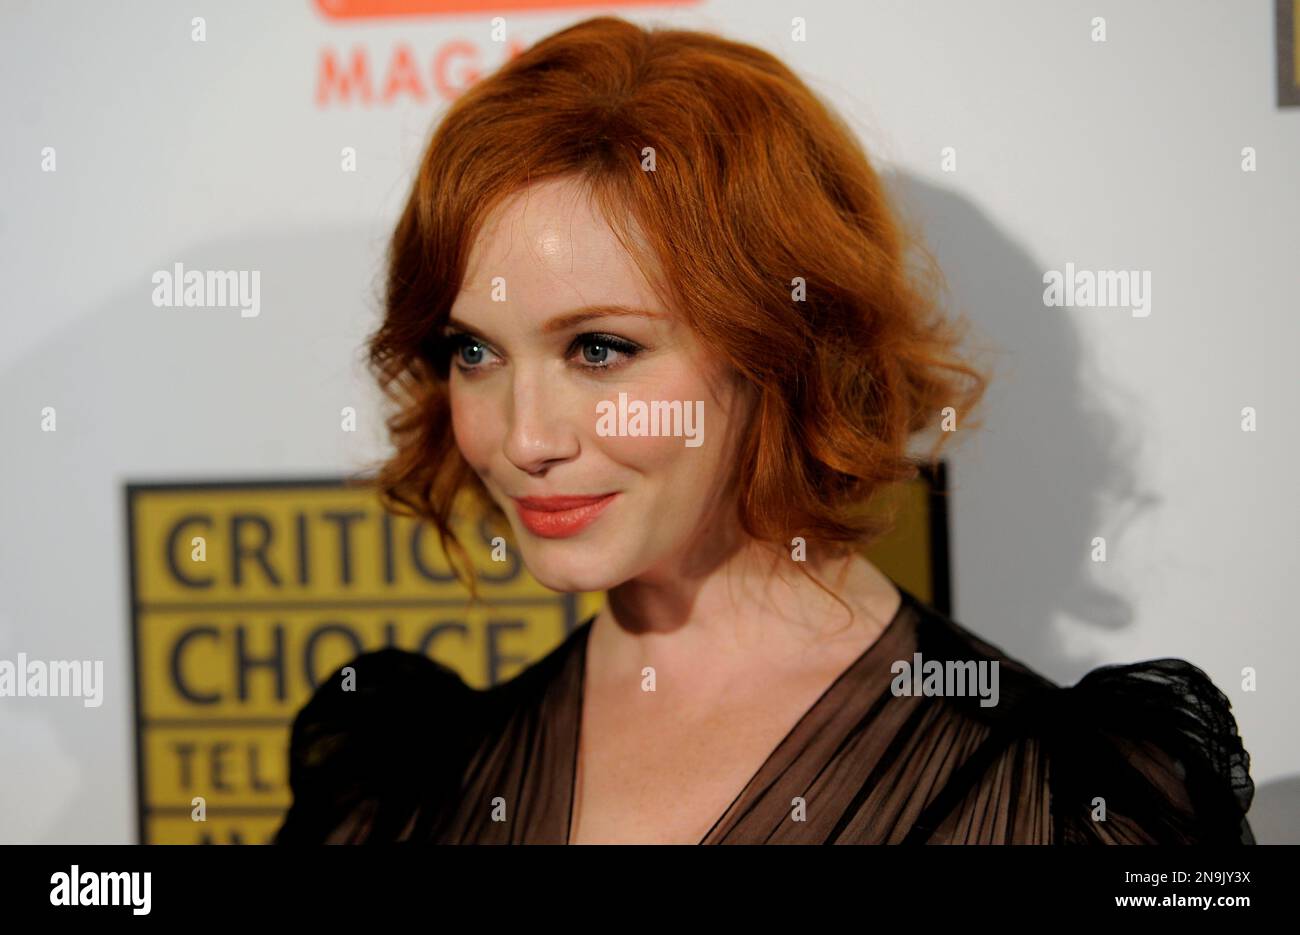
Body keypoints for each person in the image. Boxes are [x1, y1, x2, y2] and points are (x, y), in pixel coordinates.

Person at [274, 16, 1254, 844]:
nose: (525, 437)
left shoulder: (1062, 798)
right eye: (474, 352)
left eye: (601, 349)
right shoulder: (406, 785)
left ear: (777, 349)